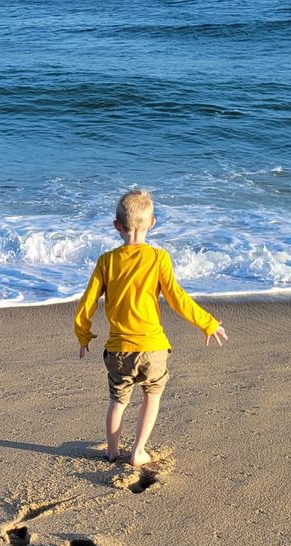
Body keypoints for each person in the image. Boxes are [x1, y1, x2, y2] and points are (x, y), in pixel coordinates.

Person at [74, 188, 227, 467]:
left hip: (119, 349)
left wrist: (83, 334)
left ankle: (112, 451)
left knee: (118, 401)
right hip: (153, 348)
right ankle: (138, 451)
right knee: (151, 396)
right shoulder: (158, 258)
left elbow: (88, 302)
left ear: (117, 226)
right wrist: (207, 323)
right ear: (152, 223)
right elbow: (177, 298)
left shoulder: (106, 261)